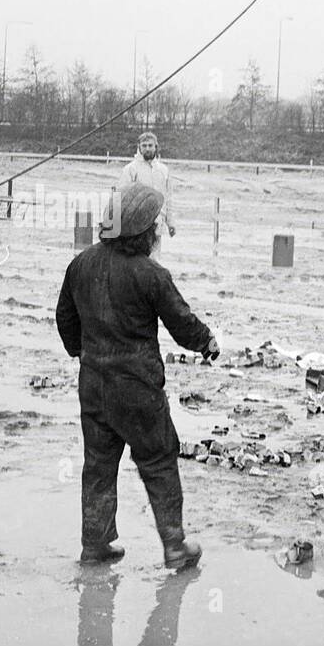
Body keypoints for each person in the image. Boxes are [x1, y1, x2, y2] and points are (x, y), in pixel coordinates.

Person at [55, 183, 218, 570]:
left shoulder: (81, 265)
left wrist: (83, 352)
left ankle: (95, 545)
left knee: (98, 465)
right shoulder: (151, 274)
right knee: (159, 461)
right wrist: (207, 342)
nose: (158, 232)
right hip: (138, 389)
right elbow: (181, 322)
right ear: (144, 232)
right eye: (155, 227)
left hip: (93, 386)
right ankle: (175, 547)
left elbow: (64, 318)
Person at [118, 131, 174, 258]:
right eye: (144, 145)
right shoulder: (130, 169)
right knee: (137, 259)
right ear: (139, 147)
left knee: (154, 260)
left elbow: (168, 198)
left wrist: (171, 223)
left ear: (156, 147)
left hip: (157, 222)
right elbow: (121, 197)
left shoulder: (163, 170)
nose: (147, 148)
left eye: (150, 145)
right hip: (136, 224)